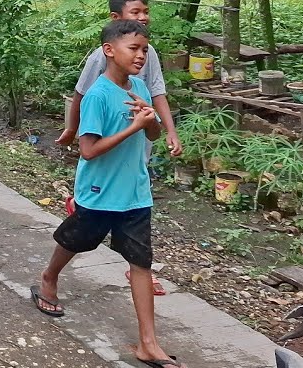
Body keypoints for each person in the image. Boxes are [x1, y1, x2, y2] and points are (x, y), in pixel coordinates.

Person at [34, 21, 181, 367]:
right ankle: (49, 277)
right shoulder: (98, 96)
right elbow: (88, 149)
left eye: (145, 49)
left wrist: (150, 123)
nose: (141, 55)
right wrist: (134, 126)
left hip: (136, 194)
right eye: (134, 48)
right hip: (99, 193)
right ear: (109, 50)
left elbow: (153, 136)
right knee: (75, 242)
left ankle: (148, 342)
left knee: (141, 264)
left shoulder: (141, 88)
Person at [59, 0, 181, 155]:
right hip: (107, 147)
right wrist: (72, 129)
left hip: (137, 151)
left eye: (146, 12)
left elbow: (157, 92)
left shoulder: (147, 54)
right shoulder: (100, 58)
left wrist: (171, 131)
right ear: (115, 17)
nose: (143, 17)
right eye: (135, 12)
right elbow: (80, 94)